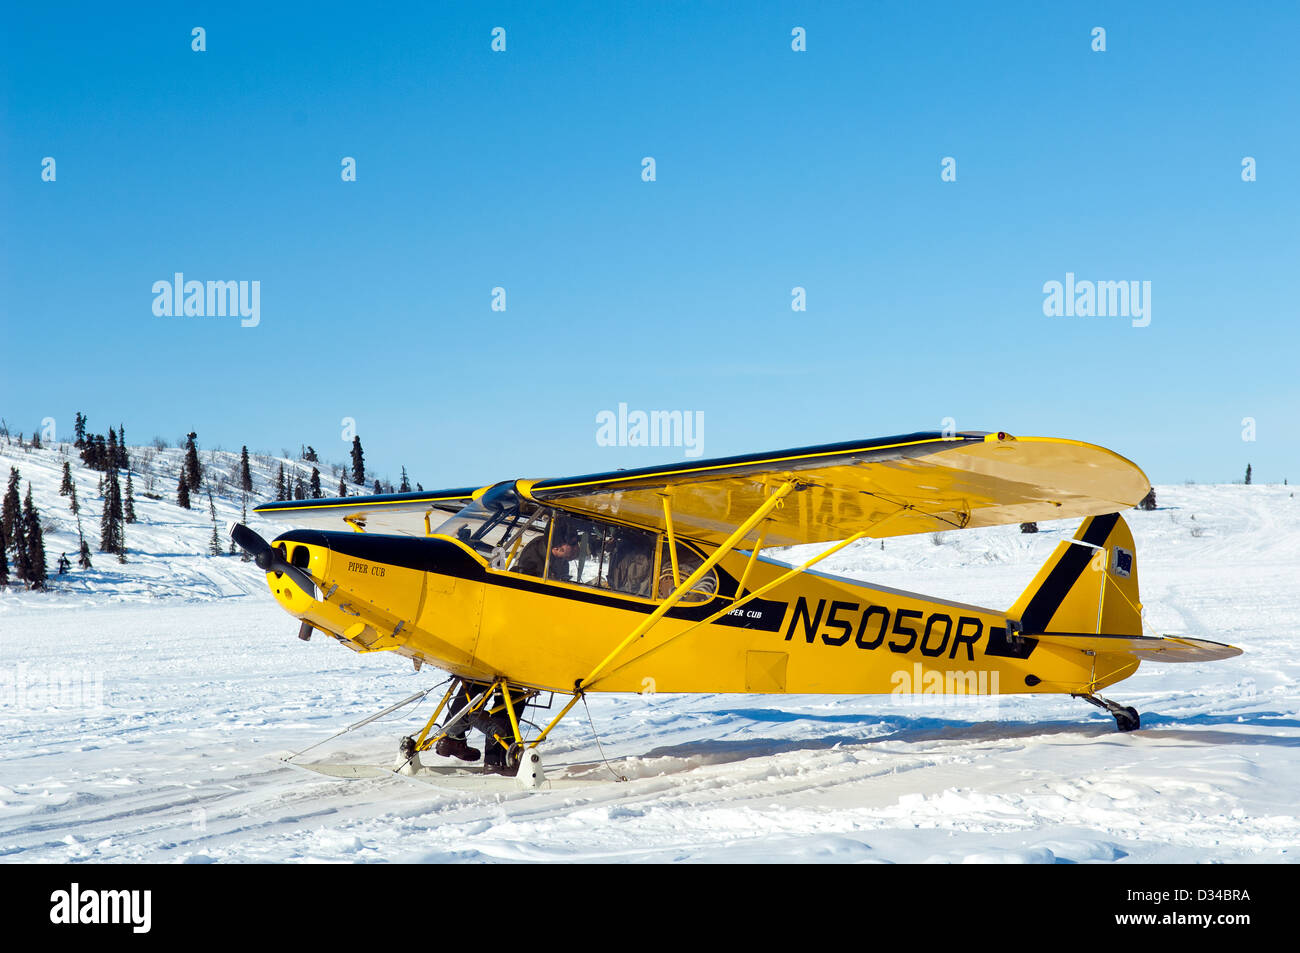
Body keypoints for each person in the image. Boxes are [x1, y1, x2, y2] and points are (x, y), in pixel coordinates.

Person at [511, 517, 579, 581]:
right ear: (557, 548)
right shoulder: (531, 563)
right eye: (572, 544)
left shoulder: (562, 561)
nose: (577, 547)